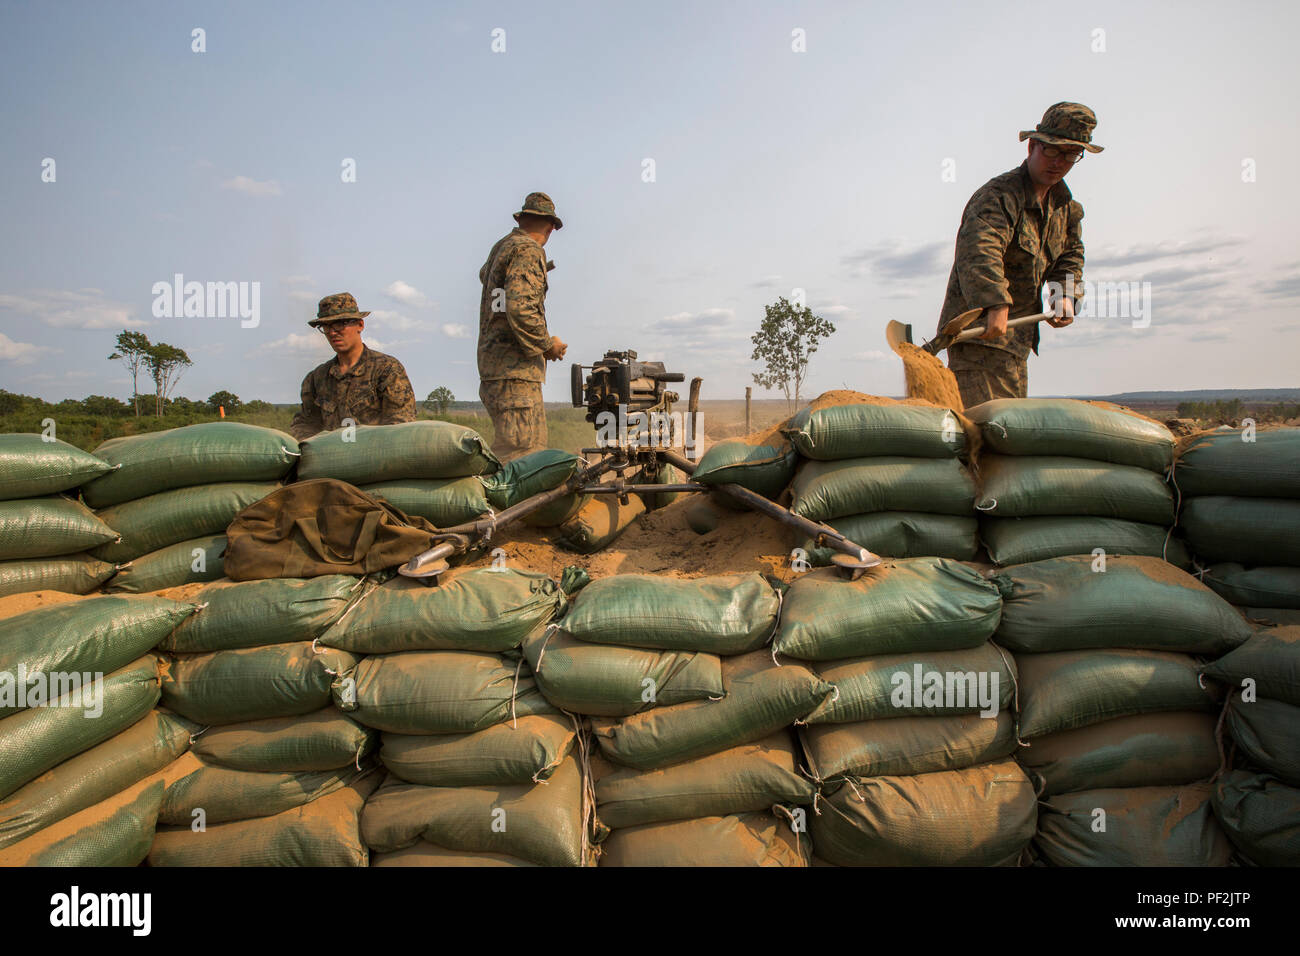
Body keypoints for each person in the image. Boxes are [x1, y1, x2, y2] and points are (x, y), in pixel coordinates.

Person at [937, 102, 1103, 407]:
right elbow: (980, 249)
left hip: (1017, 342)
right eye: (1053, 151)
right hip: (978, 335)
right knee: (986, 431)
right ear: (1032, 146)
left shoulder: (1067, 209)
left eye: (1071, 155)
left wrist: (1063, 293)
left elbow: (1070, 257)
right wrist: (994, 302)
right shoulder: (999, 196)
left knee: (1008, 431)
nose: (1059, 162)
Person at [477, 191, 568, 462]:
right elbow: (521, 307)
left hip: (496, 368)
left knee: (510, 450)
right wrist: (546, 344)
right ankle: (506, 506)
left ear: (521, 218)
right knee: (523, 454)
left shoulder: (503, 246)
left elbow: (486, 275)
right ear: (551, 226)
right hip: (514, 371)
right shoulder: (528, 250)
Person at [289, 292, 417, 440]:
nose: (332, 332)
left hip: (375, 458)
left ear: (360, 325)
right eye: (326, 327)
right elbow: (305, 424)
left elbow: (401, 426)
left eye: (340, 324)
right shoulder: (317, 378)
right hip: (330, 458)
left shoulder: (386, 369)